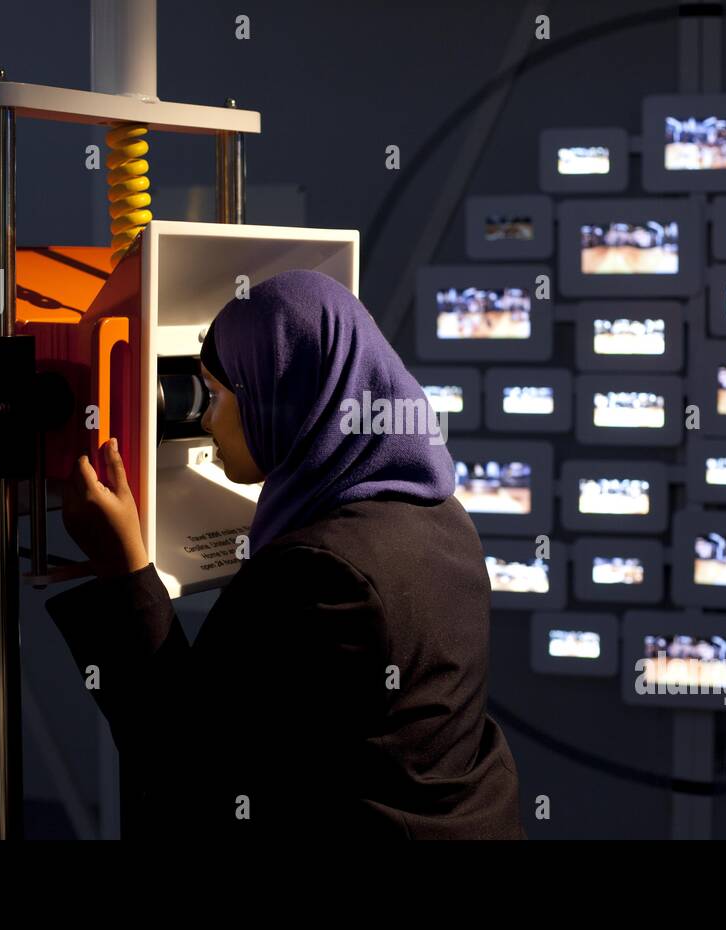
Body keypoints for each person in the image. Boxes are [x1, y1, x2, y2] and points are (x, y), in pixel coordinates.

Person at [46, 269, 526, 839]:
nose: (204, 419)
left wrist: (123, 569)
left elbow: (188, 762)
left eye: (220, 394)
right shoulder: (442, 518)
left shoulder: (320, 571)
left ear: (286, 399)